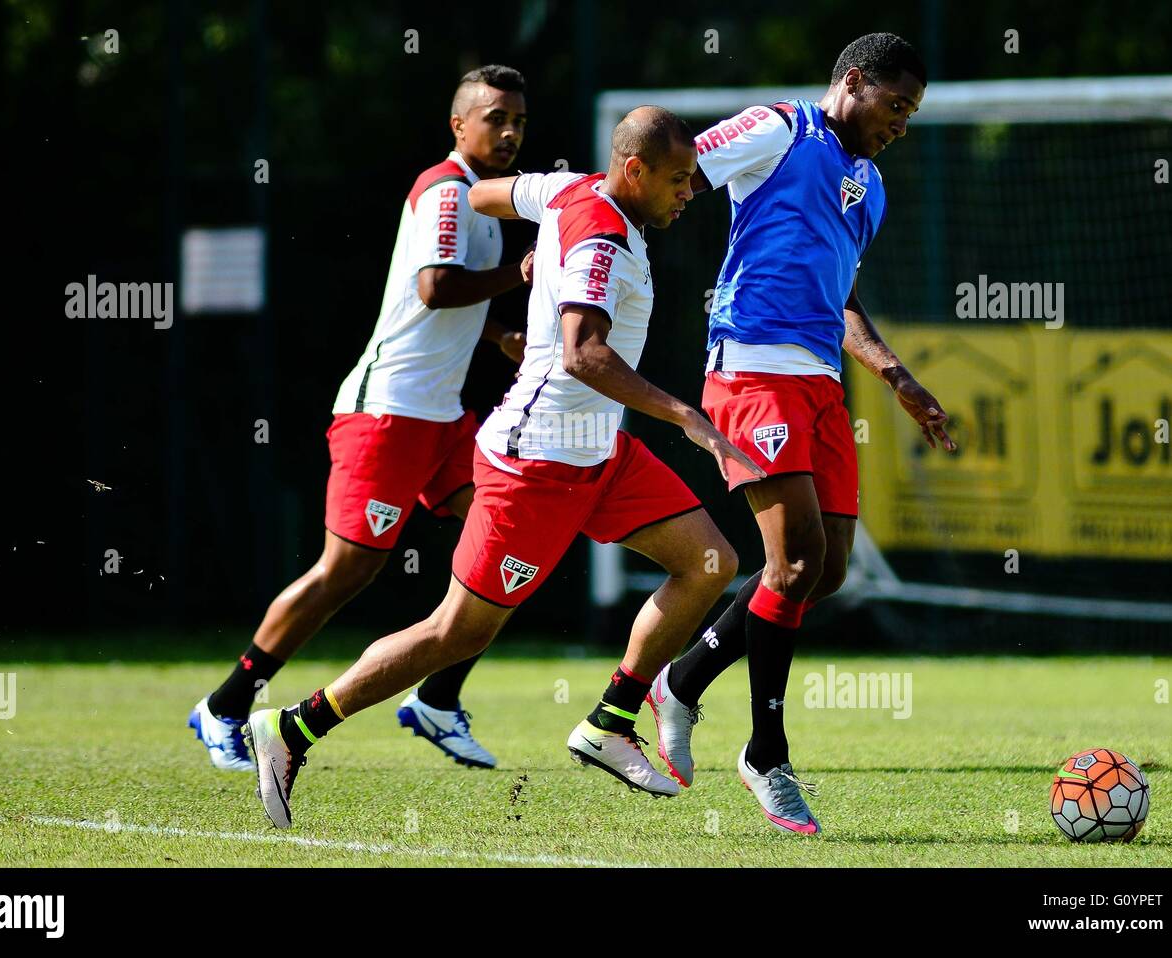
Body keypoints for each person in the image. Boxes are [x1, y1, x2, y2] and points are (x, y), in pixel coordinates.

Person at [243, 106, 764, 829]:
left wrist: (531, 259)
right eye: (678, 180)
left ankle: (610, 721)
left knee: (709, 560)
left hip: (599, 451)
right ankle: (293, 728)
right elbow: (584, 351)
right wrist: (686, 416)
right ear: (634, 170)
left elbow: (480, 194)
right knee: (456, 632)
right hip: (536, 461)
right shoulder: (602, 241)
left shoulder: (565, 191)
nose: (689, 192)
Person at [645, 33, 958, 834]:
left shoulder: (872, 185)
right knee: (792, 561)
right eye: (896, 106)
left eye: (912, 113)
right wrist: (585, 227)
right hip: (751, 367)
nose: (902, 124)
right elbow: (677, 165)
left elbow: (841, 301)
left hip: (822, 382)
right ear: (853, 82)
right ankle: (766, 753)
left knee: (826, 571)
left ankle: (680, 682)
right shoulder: (780, 128)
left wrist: (898, 379)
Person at [189, 65, 531, 773]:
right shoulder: (448, 189)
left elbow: (448, 297)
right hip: (389, 412)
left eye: (519, 121)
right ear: (458, 125)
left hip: (442, 418)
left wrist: (497, 331)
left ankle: (438, 699)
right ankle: (226, 705)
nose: (508, 131)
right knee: (345, 571)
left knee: (513, 536)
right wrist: (522, 274)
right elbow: (435, 288)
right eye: (494, 117)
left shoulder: (484, 202)